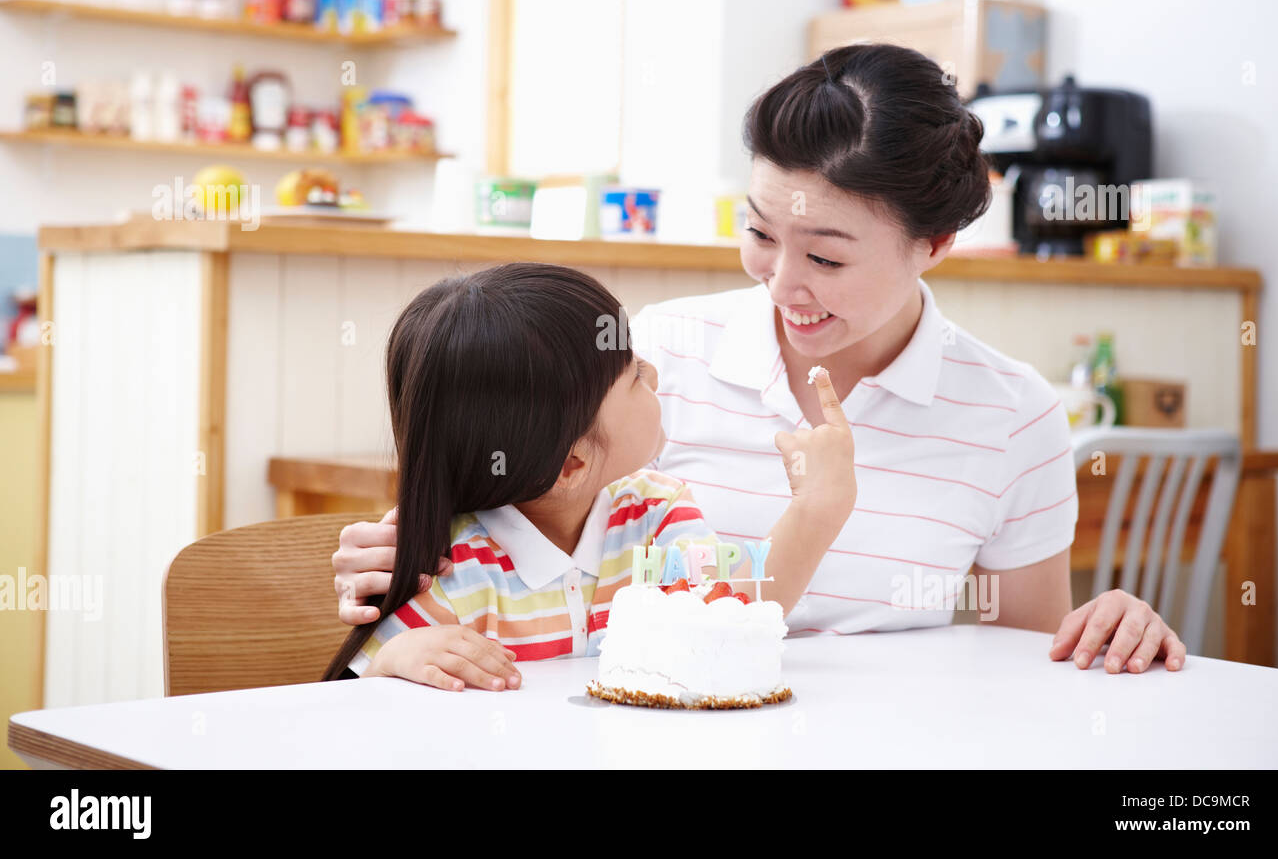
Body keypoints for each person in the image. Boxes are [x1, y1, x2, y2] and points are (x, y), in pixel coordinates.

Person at [333, 44, 1186, 676]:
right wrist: (401, 562)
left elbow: (1024, 659)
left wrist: (1109, 628)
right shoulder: (648, 359)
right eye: (760, 233)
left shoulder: (1013, 414)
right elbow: (509, 524)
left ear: (934, 243)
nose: (782, 282)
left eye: (826, 257)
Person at [322, 262, 856, 689]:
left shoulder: (655, 510)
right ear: (572, 464)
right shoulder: (457, 568)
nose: (653, 372)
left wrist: (816, 510)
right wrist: (394, 661)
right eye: (632, 377)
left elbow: (732, 614)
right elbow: (356, 717)